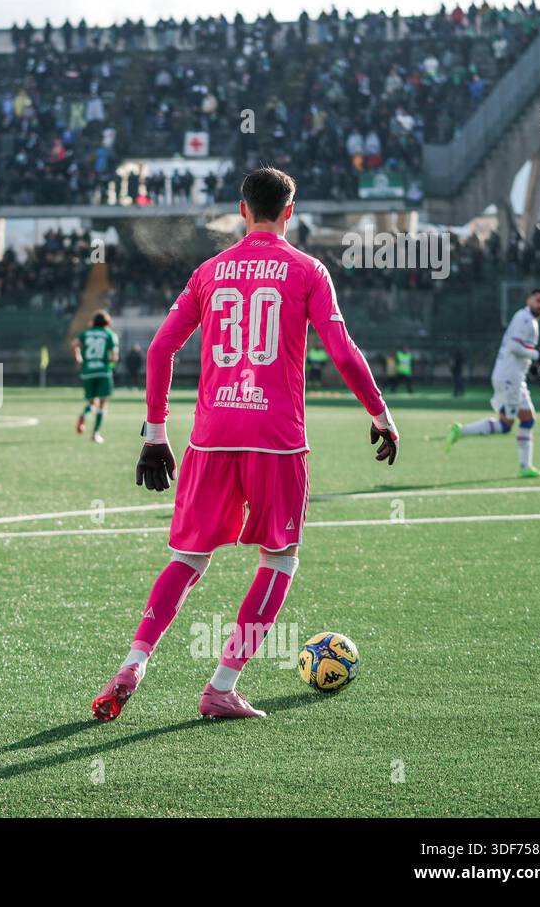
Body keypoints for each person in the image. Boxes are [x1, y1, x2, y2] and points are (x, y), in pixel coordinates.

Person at [91, 167, 397, 722]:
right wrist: (379, 414)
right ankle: (221, 686)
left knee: (186, 558)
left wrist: (155, 435)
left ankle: (134, 662)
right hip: (276, 439)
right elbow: (344, 351)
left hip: (211, 437)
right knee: (279, 560)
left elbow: (160, 351)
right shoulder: (307, 270)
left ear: (241, 209)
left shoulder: (209, 271)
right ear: (290, 211)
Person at [444, 289, 540, 477]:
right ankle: (461, 431)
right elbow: (514, 346)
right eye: (538, 300)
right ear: (529, 300)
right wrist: (536, 355)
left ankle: (526, 467)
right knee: (505, 426)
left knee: (527, 419)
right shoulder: (525, 318)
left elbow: (520, 349)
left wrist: (532, 362)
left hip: (515, 378)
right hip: (510, 378)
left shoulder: (529, 320)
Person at [72, 310, 119, 444]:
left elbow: (74, 345)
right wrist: (109, 366)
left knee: (92, 403)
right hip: (103, 372)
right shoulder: (110, 334)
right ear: (107, 323)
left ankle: (85, 414)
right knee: (102, 404)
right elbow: (114, 357)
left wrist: (79, 358)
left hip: (88, 371)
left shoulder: (85, 333)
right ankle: (95, 433)